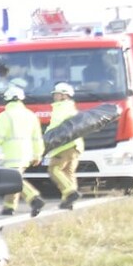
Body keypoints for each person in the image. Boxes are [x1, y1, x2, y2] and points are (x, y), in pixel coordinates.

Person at [0, 85, 46, 217]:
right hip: (26, 154)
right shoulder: (31, 115)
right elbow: (37, 138)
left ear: (7, 100)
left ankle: (35, 199)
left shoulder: (5, 116)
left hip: (11, 155)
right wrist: (38, 154)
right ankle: (9, 208)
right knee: (12, 180)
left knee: (14, 181)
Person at [45, 82, 83, 210]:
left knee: (54, 170)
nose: (54, 96)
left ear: (64, 96)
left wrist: (45, 139)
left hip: (63, 146)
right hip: (75, 146)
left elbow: (55, 128)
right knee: (68, 173)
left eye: (57, 94)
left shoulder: (61, 108)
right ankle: (68, 202)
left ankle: (71, 193)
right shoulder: (72, 108)